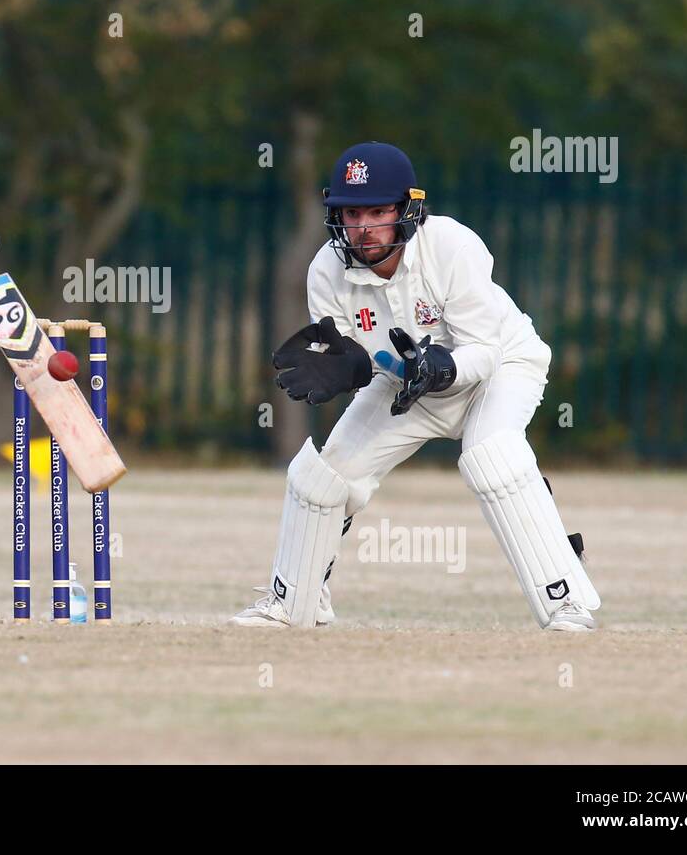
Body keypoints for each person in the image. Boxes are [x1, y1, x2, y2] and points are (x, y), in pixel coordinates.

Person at [230, 142, 600, 631]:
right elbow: (348, 351)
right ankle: (295, 600)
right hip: (406, 384)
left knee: (492, 456)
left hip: (500, 366)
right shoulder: (326, 270)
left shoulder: (451, 246)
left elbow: (484, 351)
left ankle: (567, 603)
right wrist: (346, 367)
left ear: (408, 208)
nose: (363, 227)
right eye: (351, 212)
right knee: (327, 474)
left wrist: (441, 369)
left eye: (378, 211)